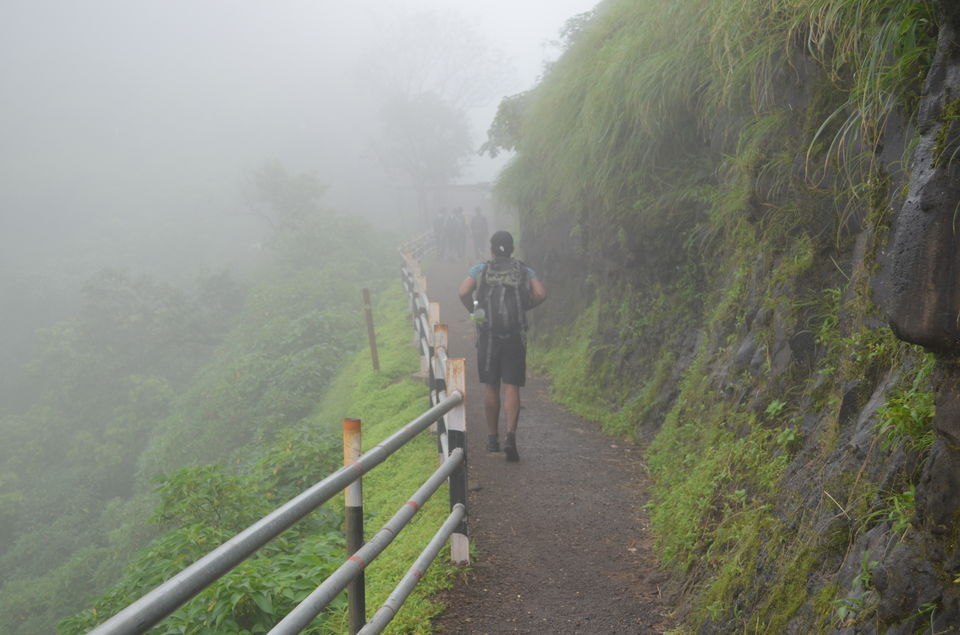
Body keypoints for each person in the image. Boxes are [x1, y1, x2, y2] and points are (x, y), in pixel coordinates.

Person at [458, 230, 547, 462]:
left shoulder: (481, 269)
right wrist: (524, 307)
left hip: (488, 335)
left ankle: (492, 439)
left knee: (491, 385)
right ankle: (510, 437)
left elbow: (463, 291)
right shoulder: (524, 270)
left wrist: (475, 312)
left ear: (491, 248)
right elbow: (541, 293)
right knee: (511, 386)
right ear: (512, 248)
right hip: (514, 336)